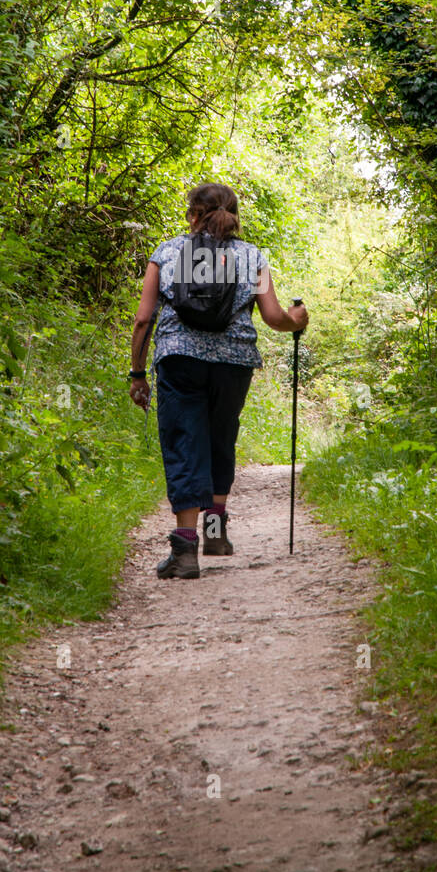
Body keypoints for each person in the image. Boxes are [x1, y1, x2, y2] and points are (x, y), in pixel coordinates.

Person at [128, 182, 309, 580]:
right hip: (234, 364)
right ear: (234, 216)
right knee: (219, 439)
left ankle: (185, 551)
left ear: (193, 214)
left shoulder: (167, 253)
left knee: (184, 443)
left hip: (179, 361)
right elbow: (274, 316)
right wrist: (298, 320)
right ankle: (215, 534)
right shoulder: (253, 258)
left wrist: (138, 373)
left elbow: (144, 319)